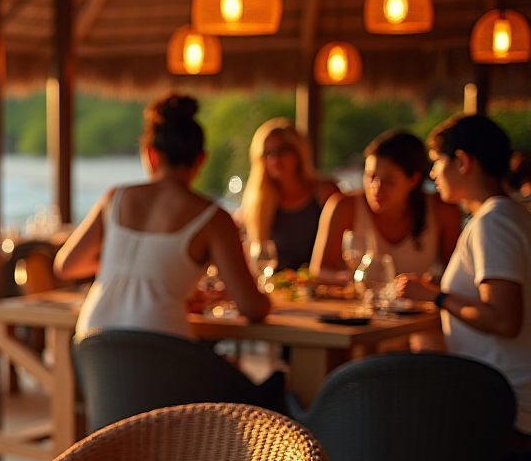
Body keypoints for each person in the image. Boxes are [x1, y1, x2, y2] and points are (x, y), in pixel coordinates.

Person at [58, 94, 269, 338]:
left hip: (94, 342)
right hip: (161, 345)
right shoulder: (215, 218)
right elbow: (252, 308)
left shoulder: (116, 197)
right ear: (201, 159)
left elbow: (67, 265)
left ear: (150, 153)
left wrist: (144, 270)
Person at [399, 113, 531, 436]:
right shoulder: (513, 215)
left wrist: (437, 297)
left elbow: (504, 319)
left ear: (461, 162)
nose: (433, 173)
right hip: (501, 392)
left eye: (436, 161)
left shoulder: (493, 222)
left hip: (504, 401)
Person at [311, 129, 460, 279]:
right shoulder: (345, 207)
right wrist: (349, 279)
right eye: (370, 176)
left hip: (414, 302)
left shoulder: (442, 211)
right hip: (359, 300)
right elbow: (319, 270)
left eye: (388, 181)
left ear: (413, 180)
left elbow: (456, 278)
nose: (376, 188)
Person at [240, 119, 340, 272]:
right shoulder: (259, 202)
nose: (275, 159)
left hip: (323, 287)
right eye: (268, 153)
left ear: (299, 151)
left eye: (283, 150)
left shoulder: (325, 192)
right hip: (278, 289)